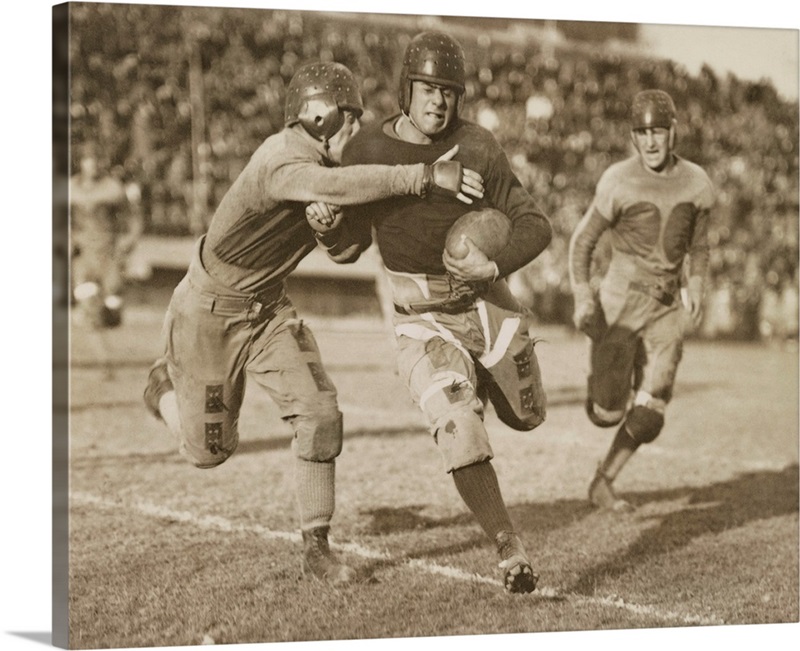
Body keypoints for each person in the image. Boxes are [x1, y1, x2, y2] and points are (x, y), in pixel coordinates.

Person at [141, 61, 484, 586]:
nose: (357, 127)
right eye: (349, 116)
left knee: (321, 414)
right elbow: (330, 184)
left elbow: (347, 251)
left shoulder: (328, 168)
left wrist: (328, 233)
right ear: (319, 116)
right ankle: (161, 389)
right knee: (209, 452)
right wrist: (420, 175)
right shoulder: (280, 157)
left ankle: (316, 548)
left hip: (267, 309)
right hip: (208, 311)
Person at [307, 32, 552, 594]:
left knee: (529, 415)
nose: (438, 101)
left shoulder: (478, 145)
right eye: (427, 88)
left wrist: (495, 266)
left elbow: (535, 224)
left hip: (485, 302)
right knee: (458, 426)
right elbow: (348, 247)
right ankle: (508, 547)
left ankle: (481, 379)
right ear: (406, 89)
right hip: (421, 318)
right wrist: (328, 228)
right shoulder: (368, 150)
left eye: (448, 91)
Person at [568, 89, 714, 512]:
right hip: (620, 300)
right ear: (633, 136)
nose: (651, 142)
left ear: (674, 131)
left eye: (658, 132)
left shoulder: (697, 181)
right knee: (607, 413)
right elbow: (582, 243)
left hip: (666, 305)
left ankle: (604, 481)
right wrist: (583, 297)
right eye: (642, 133)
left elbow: (699, 245)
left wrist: (697, 283)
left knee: (651, 413)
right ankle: (610, 375)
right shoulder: (619, 179)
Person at [70, 143, 143, 328]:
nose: (92, 164)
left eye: (96, 159)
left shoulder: (113, 188)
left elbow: (132, 217)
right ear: (81, 162)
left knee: (112, 308)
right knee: (87, 303)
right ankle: (87, 311)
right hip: (83, 251)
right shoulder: (71, 188)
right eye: (88, 159)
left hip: (108, 250)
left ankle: (108, 310)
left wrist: (129, 240)